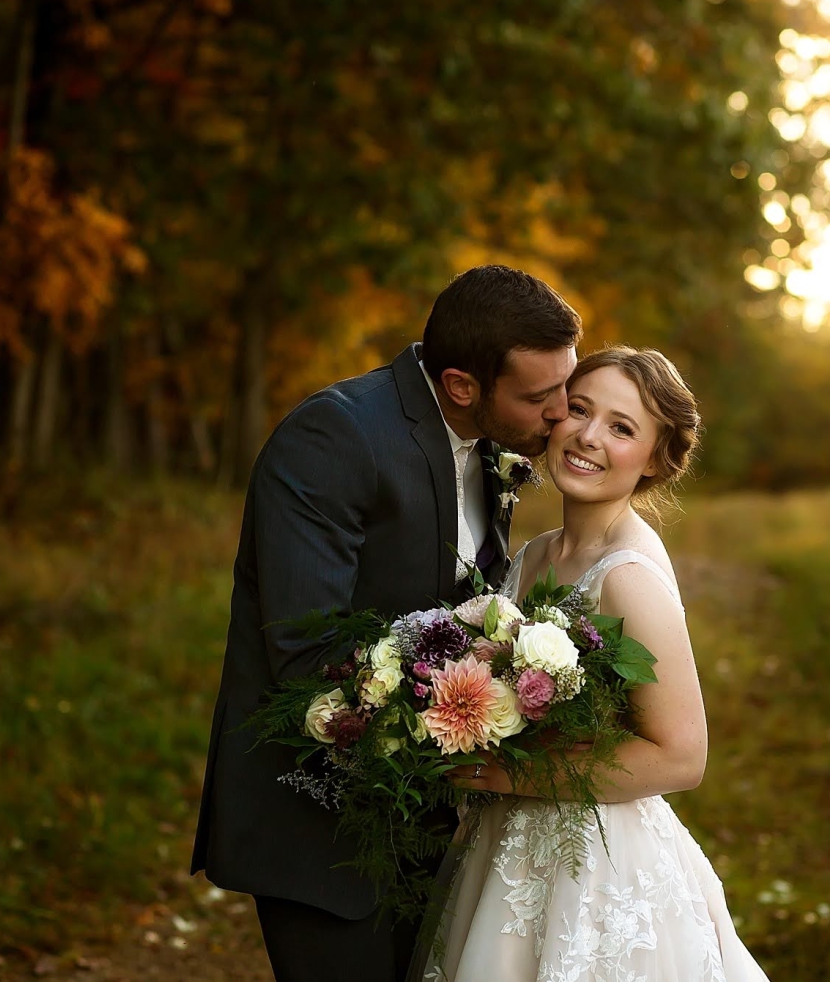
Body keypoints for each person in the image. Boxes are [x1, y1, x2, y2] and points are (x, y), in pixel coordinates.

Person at [190, 265, 582, 982]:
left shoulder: (489, 441)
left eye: (567, 386)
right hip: (324, 824)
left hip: (432, 818)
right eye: (539, 396)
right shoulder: (336, 436)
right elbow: (308, 652)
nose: (563, 413)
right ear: (463, 385)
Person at [423, 346, 768, 982]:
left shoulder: (627, 577)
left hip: (596, 861)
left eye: (621, 427)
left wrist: (507, 777)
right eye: (578, 410)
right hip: (507, 842)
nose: (587, 436)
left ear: (657, 458)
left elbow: (682, 757)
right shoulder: (532, 557)